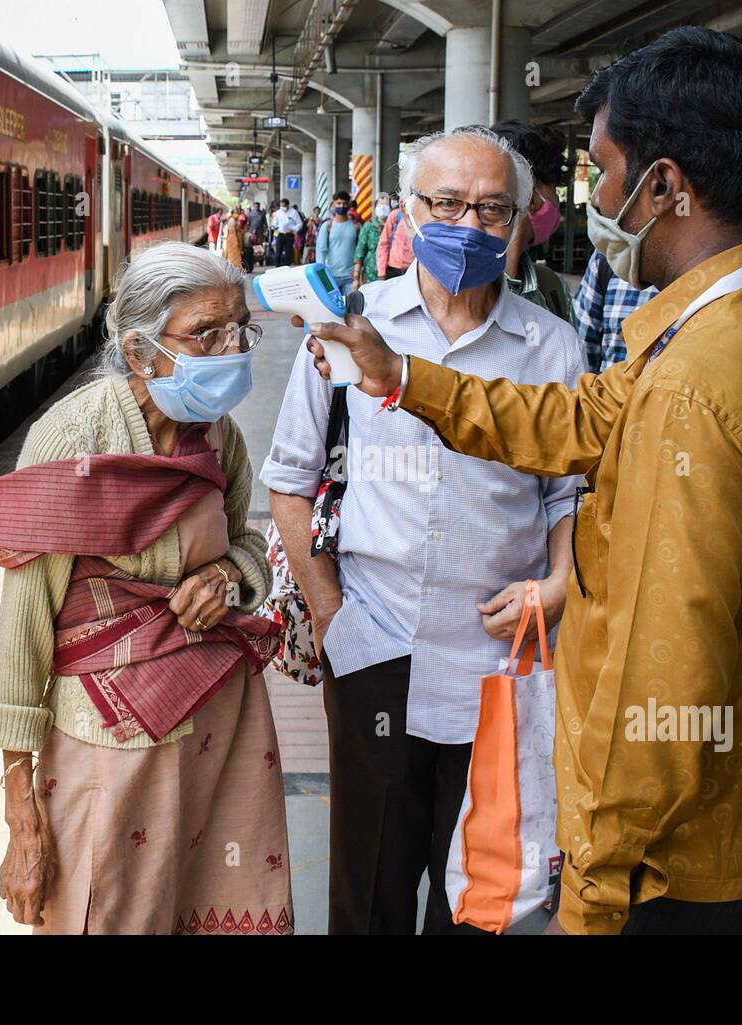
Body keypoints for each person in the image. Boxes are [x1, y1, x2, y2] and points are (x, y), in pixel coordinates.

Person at [300, 27, 742, 936]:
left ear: (665, 186)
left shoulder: (692, 386)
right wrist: (403, 377)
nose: (589, 198)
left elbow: (666, 676)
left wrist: (594, 894)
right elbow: (579, 422)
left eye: (602, 171)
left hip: (697, 861)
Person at [262, 125, 586, 935]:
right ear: (407, 211)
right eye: (447, 204)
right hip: (376, 645)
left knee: (479, 893)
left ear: (520, 220)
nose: (468, 226)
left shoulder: (551, 346)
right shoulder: (350, 328)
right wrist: (334, 613)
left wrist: (558, 581)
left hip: (499, 659)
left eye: (490, 209)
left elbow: (566, 495)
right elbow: (289, 481)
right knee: (367, 885)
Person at [0, 241, 291, 935]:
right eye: (206, 333)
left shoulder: (218, 434)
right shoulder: (75, 436)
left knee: (215, 900)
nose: (231, 347)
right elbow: (24, 622)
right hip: (110, 738)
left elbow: (249, 544)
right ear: (141, 348)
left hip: (223, 725)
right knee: (106, 909)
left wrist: (228, 577)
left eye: (239, 328)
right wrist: (19, 806)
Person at [491, 118, 575, 323]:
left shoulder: (552, 289)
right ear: (531, 196)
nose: (556, 201)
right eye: (554, 188)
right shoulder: (465, 293)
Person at [317, 191, 358, 293]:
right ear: (333, 205)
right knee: (332, 307)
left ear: (349, 205)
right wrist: (321, 274)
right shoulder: (327, 226)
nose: (342, 206)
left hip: (350, 276)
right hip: (330, 275)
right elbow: (321, 251)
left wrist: (357, 273)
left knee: (350, 307)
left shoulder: (356, 226)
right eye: (339, 203)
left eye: (344, 203)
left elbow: (359, 250)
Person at [352, 193, 389, 290]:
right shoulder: (369, 226)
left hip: (392, 273)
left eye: (385, 205)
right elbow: (360, 251)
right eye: (380, 204)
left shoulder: (395, 226)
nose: (383, 208)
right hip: (371, 273)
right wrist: (356, 278)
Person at [376, 194, 414, 280]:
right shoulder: (395, 215)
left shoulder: (422, 218)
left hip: (413, 270)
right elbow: (383, 244)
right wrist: (381, 274)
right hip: (393, 270)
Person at [271, 197, 303, 267]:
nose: (283, 208)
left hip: (289, 234)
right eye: (281, 206)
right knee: (278, 252)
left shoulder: (294, 212)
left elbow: (300, 224)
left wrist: (293, 229)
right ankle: (277, 266)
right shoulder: (278, 213)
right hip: (280, 234)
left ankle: (286, 266)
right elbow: (274, 223)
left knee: (288, 252)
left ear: (288, 205)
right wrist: (273, 226)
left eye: (284, 206)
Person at [222, 205, 245, 272]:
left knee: (233, 256)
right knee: (234, 257)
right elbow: (233, 233)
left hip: (233, 241)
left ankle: (234, 269)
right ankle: (235, 269)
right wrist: (236, 243)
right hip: (233, 242)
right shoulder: (232, 220)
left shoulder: (233, 220)